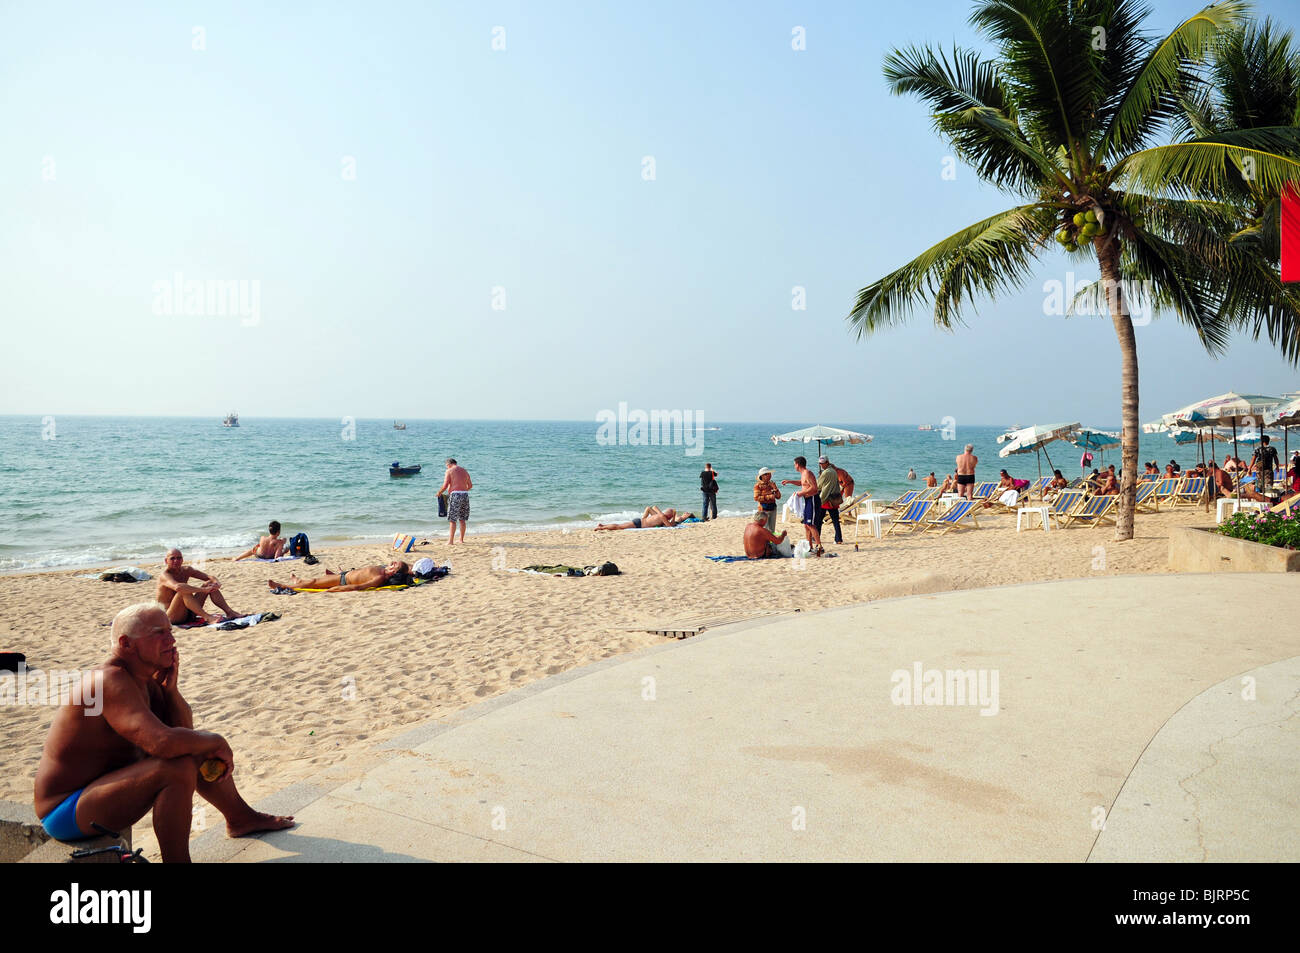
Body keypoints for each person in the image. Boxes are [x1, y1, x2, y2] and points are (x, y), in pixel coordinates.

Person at [33, 602, 293, 862]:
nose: (171, 640)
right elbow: (162, 744)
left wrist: (170, 692)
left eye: (170, 631)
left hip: (103, 790)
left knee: (193, 747)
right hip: (65, 810)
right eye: (159, 633)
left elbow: (183, 734)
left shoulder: (143, 679)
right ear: (126, 643)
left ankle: (240, 818)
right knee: (177, 768)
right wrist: (217, 740)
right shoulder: (108, 680)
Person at [155, 549, 239, 625]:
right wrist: (203, 590)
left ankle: (229, 612)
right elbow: (178, 587)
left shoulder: (186, 570)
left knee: (209, 584)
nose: (176, 561)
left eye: (179, 558)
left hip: (189, 614)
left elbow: (209, 577)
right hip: (171, 617)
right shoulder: (164, 575)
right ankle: (207, 617)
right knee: (183, 589)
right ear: (166, 561)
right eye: (172, 558)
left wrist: (216, 583)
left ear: (182, 560)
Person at [267, 561, 412, 592]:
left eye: (395, 565)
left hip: (341, 580)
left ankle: (283, 586)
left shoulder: (381, 577)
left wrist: (336, 589)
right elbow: (410, 568)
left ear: (394, 572)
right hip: (343, 574)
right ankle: (297, 580)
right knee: (314, 581)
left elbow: (359, 586)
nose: (392, 563)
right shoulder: (382, 568)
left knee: (313, 582)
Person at [780, 457, 824, 556]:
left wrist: (801, 493)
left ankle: (819, 546)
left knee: (810, 524)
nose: (794, 466)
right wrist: (789, 481)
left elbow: (814, 488)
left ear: (798, 464)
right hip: (808, 500)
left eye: (794, 464)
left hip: (813, 499)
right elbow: (802, 483)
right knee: (806, 525)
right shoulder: (803, 474)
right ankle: (810, 547)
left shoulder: (807, 473)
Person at [438, 458, 473, 544]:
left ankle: (451, 541)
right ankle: (461, 540)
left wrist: (439, 493)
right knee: (462, 519)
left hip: (455, 495)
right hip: (465, 494)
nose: (447, 468)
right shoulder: (464, 470)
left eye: (446, 466)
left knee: (452, 519)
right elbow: (470, 485)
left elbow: (445, 485)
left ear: (448, 464)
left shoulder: (449, 470)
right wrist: (462, 490)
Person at [594, 506, 695, 531]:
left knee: (620, 526)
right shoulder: (663, 517)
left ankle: (602, 526)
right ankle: (601, 527)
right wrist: (673, 516)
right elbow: (670, 526)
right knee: (619, 527)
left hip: (640, 521)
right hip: (639, 524)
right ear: (668, 516)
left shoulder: (660, 515)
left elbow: (653, 507)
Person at [815, 456, 844, 544]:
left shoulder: (826, 473)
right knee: (835, 520)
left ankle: (816, 538)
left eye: (822, 463)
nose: (821, 465)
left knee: (819, 520)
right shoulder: (833, 471)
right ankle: (838, 539)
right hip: (834, 498)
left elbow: (818, 485)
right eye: (820, 463)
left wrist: (820, 477)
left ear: (827, 462)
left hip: (825, 499)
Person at [753, 468, 782, 535]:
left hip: (773, 508)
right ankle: (765, 543)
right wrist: (769, 497)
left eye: (770, 474)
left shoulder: (772, 484)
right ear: (762, 476)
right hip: (763, 509)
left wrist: (775, 488)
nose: (770, 475)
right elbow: (756, 498)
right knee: (765, 528)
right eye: (767, 474)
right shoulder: (758, 486)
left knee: (772, 529)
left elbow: (779, 496)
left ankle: (770, 543)